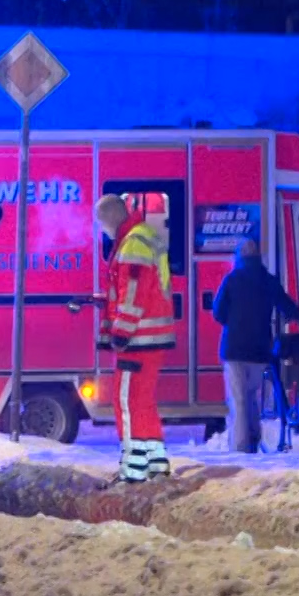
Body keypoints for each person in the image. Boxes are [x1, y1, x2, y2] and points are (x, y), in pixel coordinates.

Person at [95, 194, 177, 484]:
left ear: (112, 216)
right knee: (143, 401)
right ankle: (155, 462)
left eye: (102, 222)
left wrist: (121, 332)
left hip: (138, 338)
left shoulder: (132, 243)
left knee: (126, 401)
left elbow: (133, 293)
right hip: (152, 337)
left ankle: (132, 470)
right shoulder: (144, 236)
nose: (103, 228)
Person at [212, 239, 299, 453]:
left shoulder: (231, 279)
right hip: (259, 350)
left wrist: (233, 321)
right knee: (251, 396)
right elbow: (286, 306)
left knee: (238, 401)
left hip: (233, 349)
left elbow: (218, 312)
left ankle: (240, 448)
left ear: (239, 257)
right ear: (258, 257)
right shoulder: (268, 280)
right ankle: (254, 439)